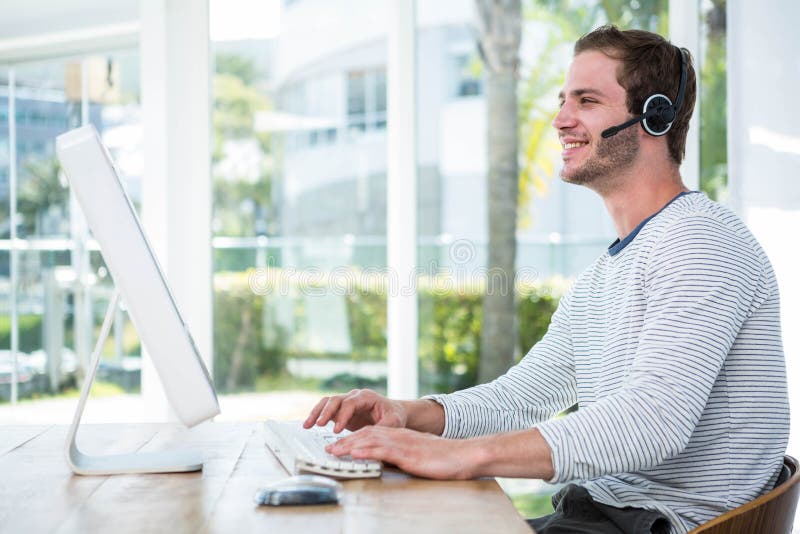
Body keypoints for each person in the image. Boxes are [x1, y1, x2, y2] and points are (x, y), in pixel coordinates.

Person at [303, 25, 790, 534]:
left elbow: (653, 423)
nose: (561, 120)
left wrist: (465, 457)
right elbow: (522, 398)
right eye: (563, 100)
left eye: (586, 101)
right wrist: (405, 415)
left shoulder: (701, 242)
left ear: (655, 116)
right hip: (601, 517)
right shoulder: (610, 270)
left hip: (656, 525)